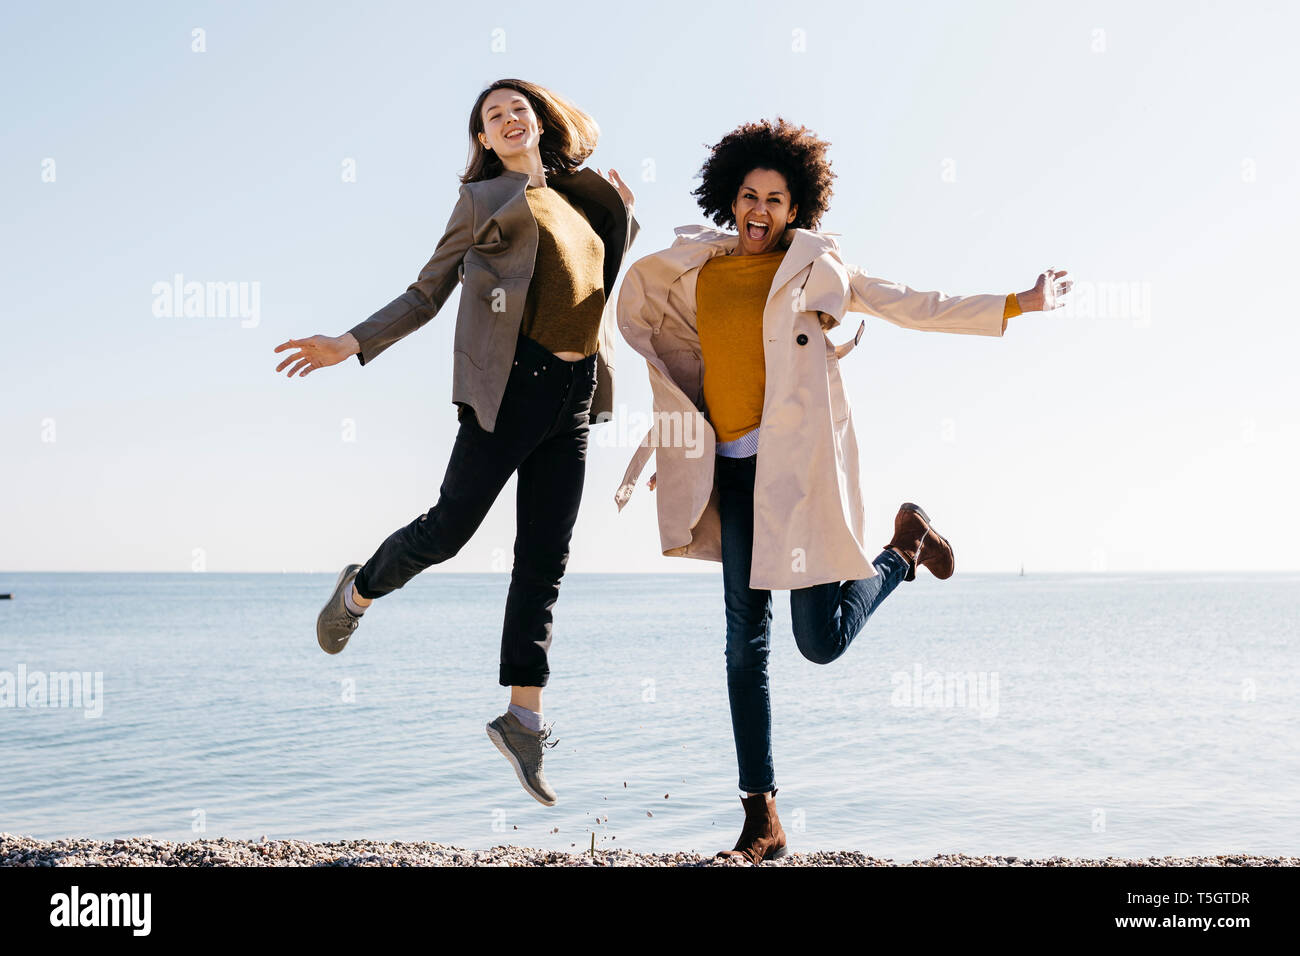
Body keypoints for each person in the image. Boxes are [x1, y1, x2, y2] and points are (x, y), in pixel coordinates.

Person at [614, 117, 1069, 862]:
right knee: (741, 645)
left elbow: (912, 303)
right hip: (728, 473)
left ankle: (902, 548)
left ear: (798, 209)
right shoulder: (696, 270)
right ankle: (762, 819)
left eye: (778, 198)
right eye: (750, 194)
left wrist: (1016, 302)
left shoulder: (817, 270)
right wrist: (682, 449)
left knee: (819, 643)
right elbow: (686, 370)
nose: (761, 208)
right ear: (730, 198)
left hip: (795, 476)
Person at [273, 78, 638, 807]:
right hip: (509, 386)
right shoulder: (482, 201)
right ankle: (361, 587)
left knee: (545, 559)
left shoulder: (588, 198)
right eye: (491, 116)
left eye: (517, 109)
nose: (507, 119)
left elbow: (593, 287)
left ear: (541, 121)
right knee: (449, 530)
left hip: (572, 395)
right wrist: (349, 342)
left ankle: (524, 719)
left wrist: (626, 217)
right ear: (481, 138)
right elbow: (426, 292)